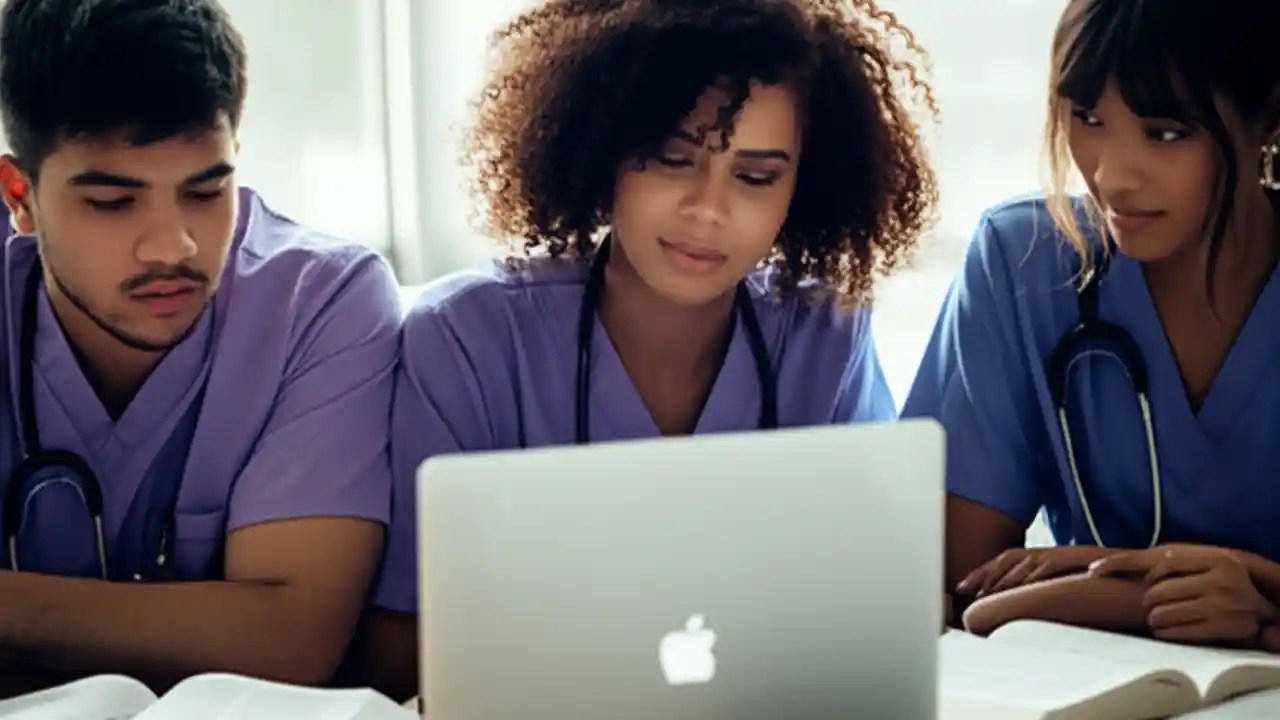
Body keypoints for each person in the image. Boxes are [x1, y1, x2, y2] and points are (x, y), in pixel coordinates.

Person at [360, 0, 939, 699]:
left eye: (756, 177)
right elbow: (398, 653)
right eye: (672, 160)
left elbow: (881, 610)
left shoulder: (826, 336)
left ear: (803, 187)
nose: (708, 209)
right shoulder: (467, 339)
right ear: (605, 148)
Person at [0, 0, 401, 695]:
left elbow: (292, 643)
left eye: (207, 190)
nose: (174, 246)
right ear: (20, 196)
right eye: (113, 202)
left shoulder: (318, 301)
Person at [901, 0, 1280, 648]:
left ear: (1267, 117)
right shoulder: (1022, 266)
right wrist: (1156, 586)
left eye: (1165, 133)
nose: (1112, 175)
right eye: (1088, 118)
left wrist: (1082, 578)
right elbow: (962, 592)